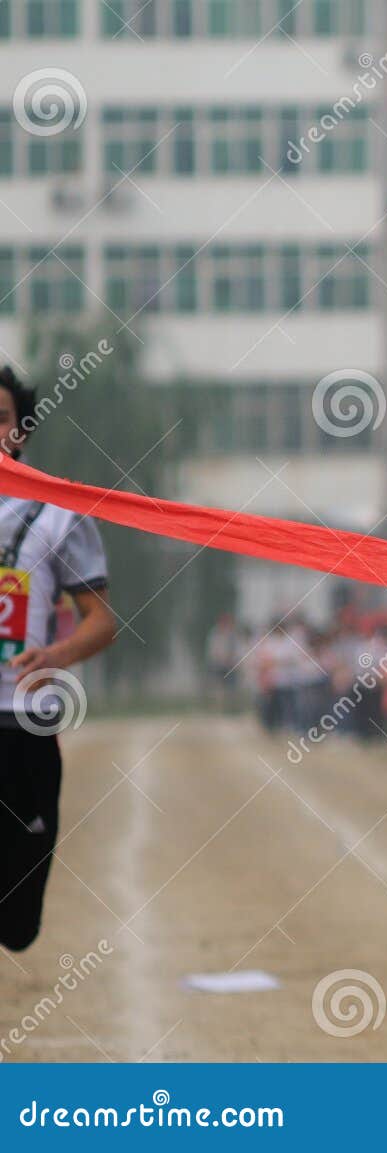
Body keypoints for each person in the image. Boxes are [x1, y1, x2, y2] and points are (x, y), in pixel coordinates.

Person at [0, 365, 117, 954]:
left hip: (23, 728)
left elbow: (102, 621)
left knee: (17, 927)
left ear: (19, 431)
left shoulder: (57, 513)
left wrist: (56, 654)